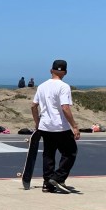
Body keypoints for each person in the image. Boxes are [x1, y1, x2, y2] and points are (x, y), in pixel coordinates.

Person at [31, 59, 80, 194]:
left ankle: (47, 184)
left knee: (49, 154)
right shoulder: (64, 86)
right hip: (60, 126)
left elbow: (33, 106)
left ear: (51, 70)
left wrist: (37, 123)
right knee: (70, 152)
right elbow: (65, 107)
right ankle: (57, 178)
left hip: (45, 126)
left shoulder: (41, 86)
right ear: (65, 72)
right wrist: (74, 126)